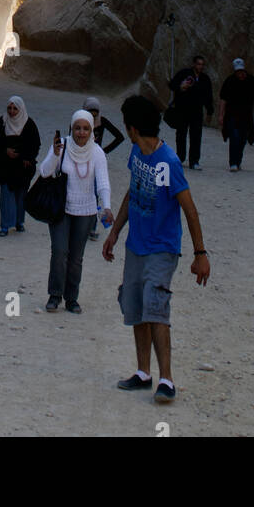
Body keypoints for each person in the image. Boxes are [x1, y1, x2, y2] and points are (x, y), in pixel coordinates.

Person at [103, 95, 209, 402]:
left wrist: (200, 254)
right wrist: (115, 233)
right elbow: (132, 192)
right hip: (136, 245)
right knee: (136, 306)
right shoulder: (137, 152)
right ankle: (142, 373)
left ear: (133, 128)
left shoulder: (169, 163)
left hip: (162, 248)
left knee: (156, 308)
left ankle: (167, 380)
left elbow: (189, 209)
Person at [38, 110, 112, 314]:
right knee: (60, 252)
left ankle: (72, 298)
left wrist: (106, 206)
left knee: (76, 257)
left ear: (92, 131)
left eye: (86, 128)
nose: (81, 132)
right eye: (77, 128)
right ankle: (54, 295)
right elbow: (44, 172)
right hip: (61, 209)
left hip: (86, 211)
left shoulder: (97, 152)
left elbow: (103, 182)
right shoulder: (61, 146)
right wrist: (54, 154)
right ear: (72, 128)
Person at [0, 97, 40, 235]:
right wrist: (5, 151)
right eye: (9, 108)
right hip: (5, 165)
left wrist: (26, 157)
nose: (12, 111)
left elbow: (35, 144)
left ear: (21, 109)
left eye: (15, 108)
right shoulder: (2, 122)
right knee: (6, 193)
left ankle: (19, 222)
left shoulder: (29, 124)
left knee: (21, 194)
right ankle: (5, 226)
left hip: (22, 167)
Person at [83, 96, 124, 240]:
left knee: (94, 195)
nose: (93, 116)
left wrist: (103, 151)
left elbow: (120, 137)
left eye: (95, 113)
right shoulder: (80, 121)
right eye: (91, 113)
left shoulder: (102, 121)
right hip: (81, 161)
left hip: (95, 162)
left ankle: (91, 228)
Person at [169, 55, 214, 170]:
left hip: (197, 111)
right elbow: (172, 85)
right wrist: (181, 86)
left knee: (196, 136)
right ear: (194, 64)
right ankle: (180, 157)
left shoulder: (205, 79)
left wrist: (210, 111)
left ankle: (194, 161)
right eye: (199, 64)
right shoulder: (184, 73)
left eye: (202, 64)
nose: (201, 66)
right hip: (182, 110)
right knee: (181, 135)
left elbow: (208, 96)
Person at [218, 58, 254, 171]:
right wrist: (221, 114)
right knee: (234, 137)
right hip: (232, 114)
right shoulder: (229, 81)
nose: (240, 74)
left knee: (243, 139)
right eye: (238, 72)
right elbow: (223, 99)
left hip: (246, 115)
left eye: (241, 71)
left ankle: (238, 161)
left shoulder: (251, 80)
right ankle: (233, 162)